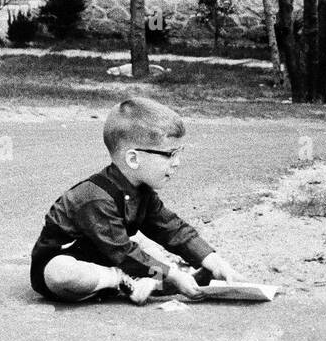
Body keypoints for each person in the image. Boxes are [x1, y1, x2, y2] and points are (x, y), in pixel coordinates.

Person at [29, 96, 240, 303]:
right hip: (72, 268)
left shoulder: (142, 191)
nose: (177, 163)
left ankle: (152, 280)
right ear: (133, 159)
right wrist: (172, 274)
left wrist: (214, 261)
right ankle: (125, 280)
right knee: (62, 272)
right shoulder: (95, 198)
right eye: (170, 154)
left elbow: (172, 229)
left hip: (111, 258)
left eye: (179, 152)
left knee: (146, 249)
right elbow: (122, 253)